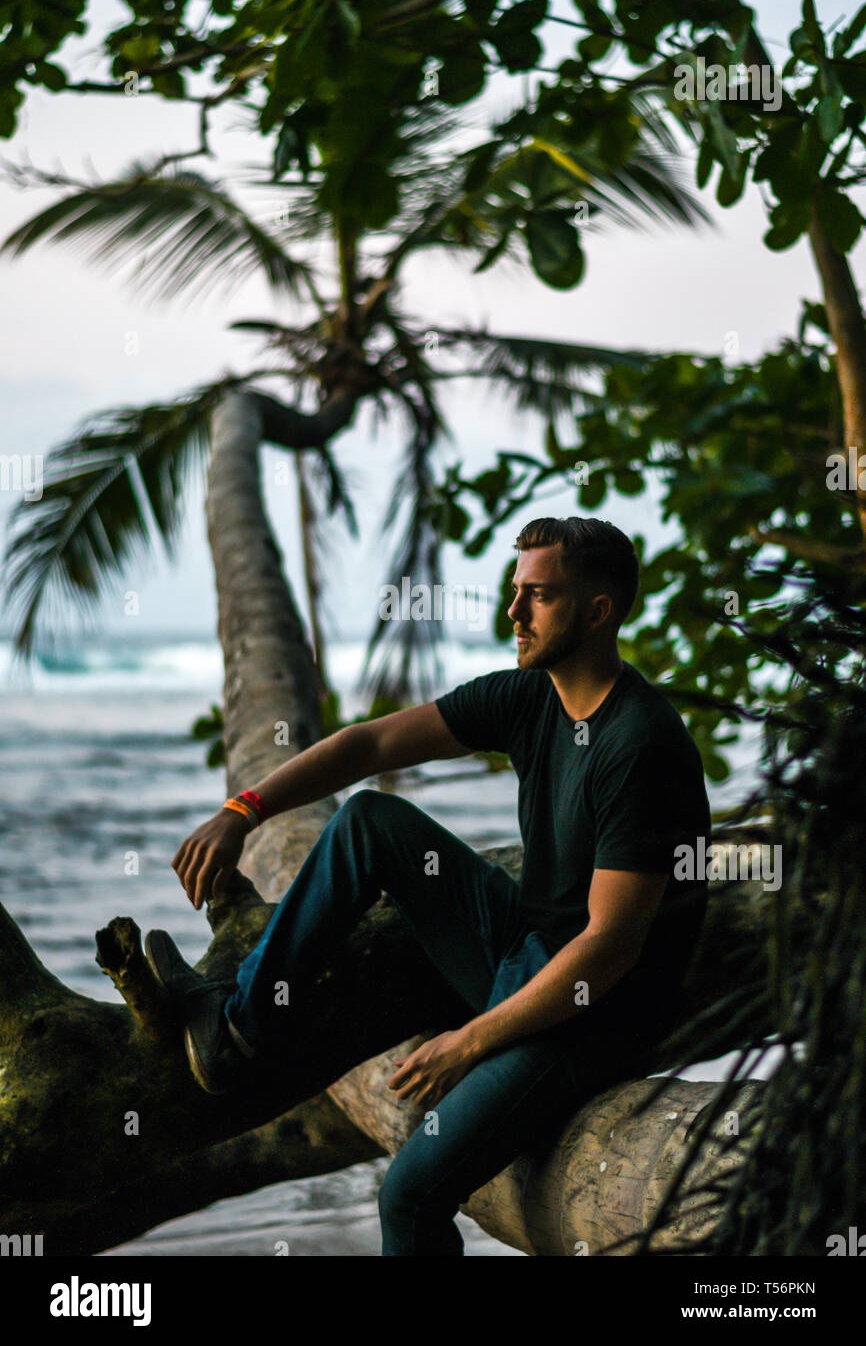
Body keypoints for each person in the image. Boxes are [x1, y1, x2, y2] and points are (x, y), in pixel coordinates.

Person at [145, 515, 712, 1256]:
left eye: (537, 597)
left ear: (599, 611)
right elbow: (371, 742)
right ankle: (239, 1031)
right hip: (524, 948)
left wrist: (467, 1043)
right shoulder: (531, 697)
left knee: (409, 1196)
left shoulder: (639, 744)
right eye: (515, 593)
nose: (513, 613)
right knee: (370, 820)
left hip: (593, 1021)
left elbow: (608, 949)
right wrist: (243, 809)